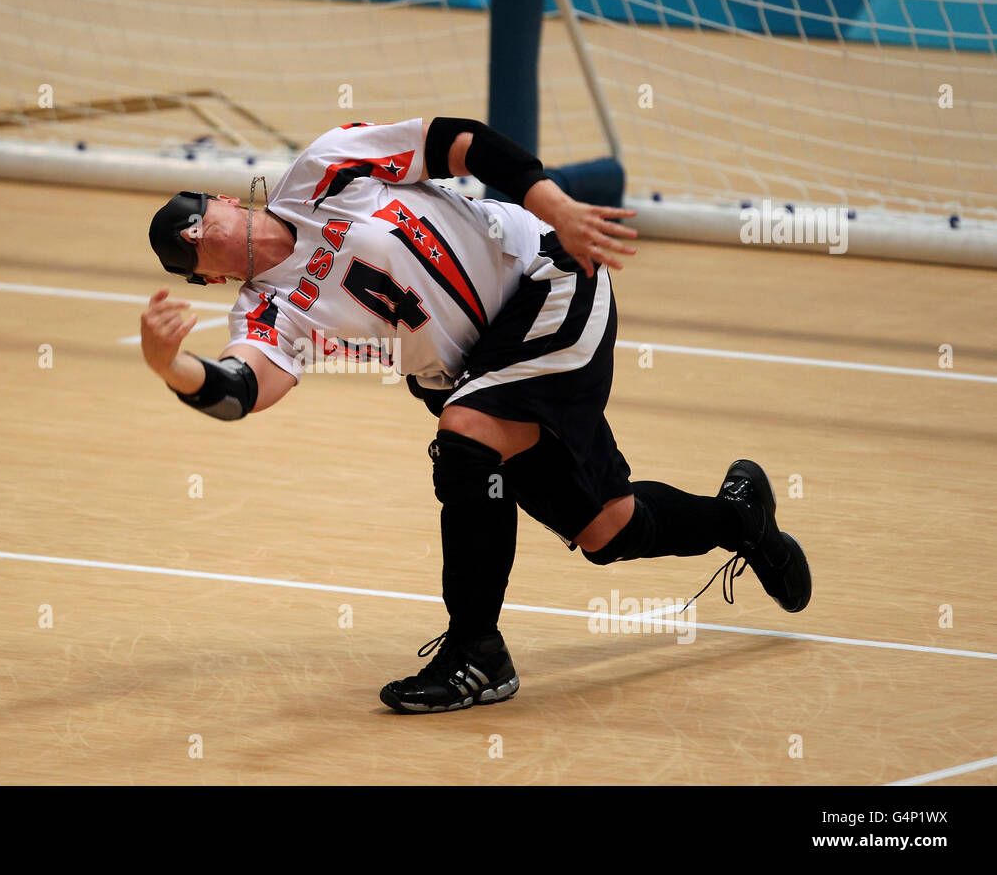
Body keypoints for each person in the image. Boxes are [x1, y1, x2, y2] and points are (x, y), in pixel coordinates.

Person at [140, 118, 811, 714]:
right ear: (207, 278)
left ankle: (476, 653)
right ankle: (741, 518)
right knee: (608, 529)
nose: (194, 231)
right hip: (478, 371)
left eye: (192, 214)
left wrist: (555, 204)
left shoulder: (325, 169)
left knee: (464, 437)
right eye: (185, 248)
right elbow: (241, 388)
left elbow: (457, 141)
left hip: (547, 277)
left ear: (224, 198)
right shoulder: (270, 312)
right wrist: (171, 366)